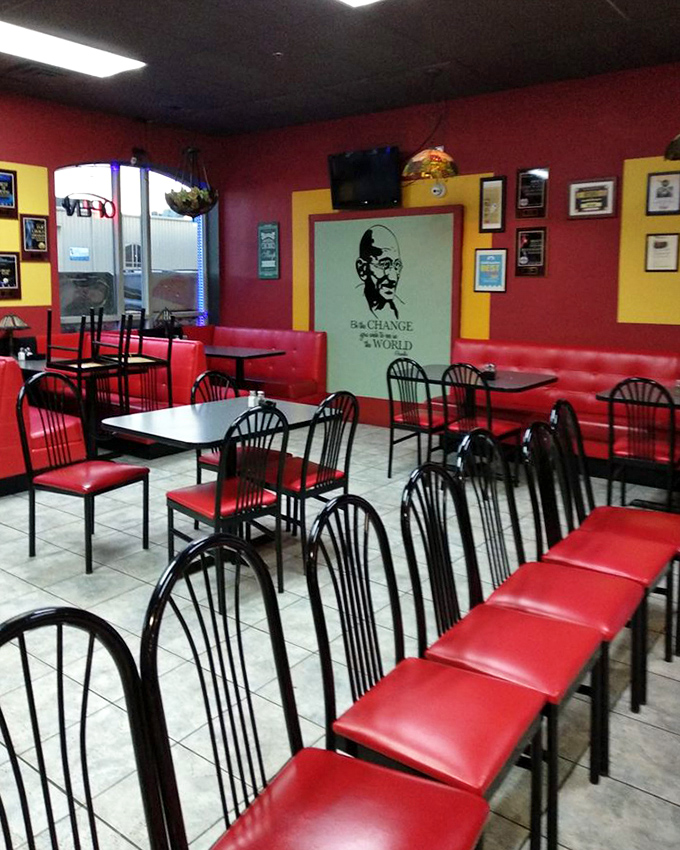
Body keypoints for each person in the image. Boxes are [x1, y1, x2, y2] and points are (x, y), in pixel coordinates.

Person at [355, 225, 403, 318]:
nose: (393, 278)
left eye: (397, 265)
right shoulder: (348, 306)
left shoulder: (405, 309)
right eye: (384, 265)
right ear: (362, 269)